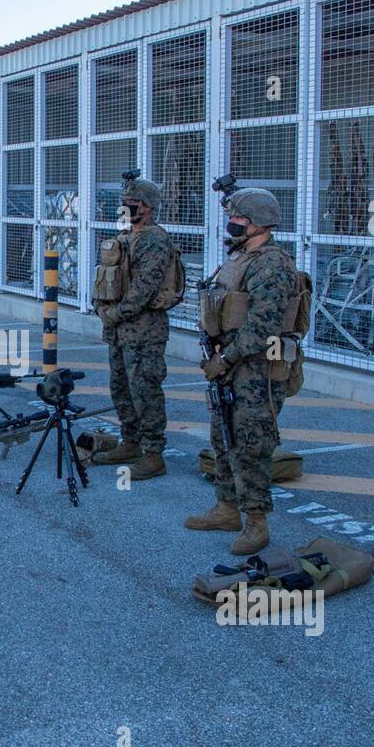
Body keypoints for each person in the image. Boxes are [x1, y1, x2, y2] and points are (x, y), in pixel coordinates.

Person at [185, 187, 302, 556]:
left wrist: (227, 358)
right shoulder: (239, 257)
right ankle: (226, 507)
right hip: (231, 364)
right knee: (223, 436)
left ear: (258, 224)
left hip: (257, 371)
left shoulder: (272, 265)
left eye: (238, 219)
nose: (231, 224)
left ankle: (256, 521)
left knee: (251, 446)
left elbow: (263, 325)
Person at [91, 174, 182, 482]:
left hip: (144, 331)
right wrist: (102, 308)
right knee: (121, 388)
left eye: (134, 203)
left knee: (145, 390)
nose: (127, 207)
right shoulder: (127, 237)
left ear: (149, 207)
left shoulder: (155, 239)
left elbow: (143, 288)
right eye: (125, 202)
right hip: (120, 330)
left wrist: (113, 314)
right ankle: (131, 442)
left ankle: (153, 454)